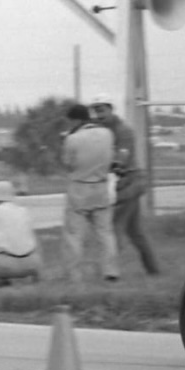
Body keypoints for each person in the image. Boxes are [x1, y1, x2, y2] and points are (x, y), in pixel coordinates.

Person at [88, 94, 160, 276]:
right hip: (123, 183)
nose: (99, 114)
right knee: (135, 233)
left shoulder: (123, 130)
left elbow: (121, 159)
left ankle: (109, 273)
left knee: (114, 229)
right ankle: (153, 270)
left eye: (102, 109)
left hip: (129, 183)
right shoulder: (103, 130)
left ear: (111, 109)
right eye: (95, 110)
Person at [60, 103, 118, 284]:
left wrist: (67, 140)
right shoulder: (107, 134)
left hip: (79, 187)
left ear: (76, 120)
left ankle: (74, 275)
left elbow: (68, 164)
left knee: (74, 234)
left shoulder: (73, 139)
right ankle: (111, 271)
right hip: (101, 186)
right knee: (105, 233)